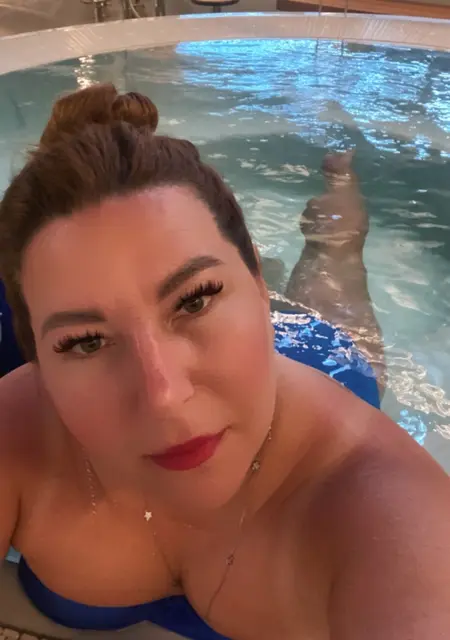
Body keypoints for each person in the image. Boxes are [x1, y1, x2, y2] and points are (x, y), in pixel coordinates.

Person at [0, 83, 449, 640]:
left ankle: (336, 238)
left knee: (334, 295)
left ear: (256, 283)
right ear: (37, 360)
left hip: (313, 358)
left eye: (196, 299)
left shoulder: (378, 507)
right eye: (87, 341)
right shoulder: (18, 430)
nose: (164, 396)